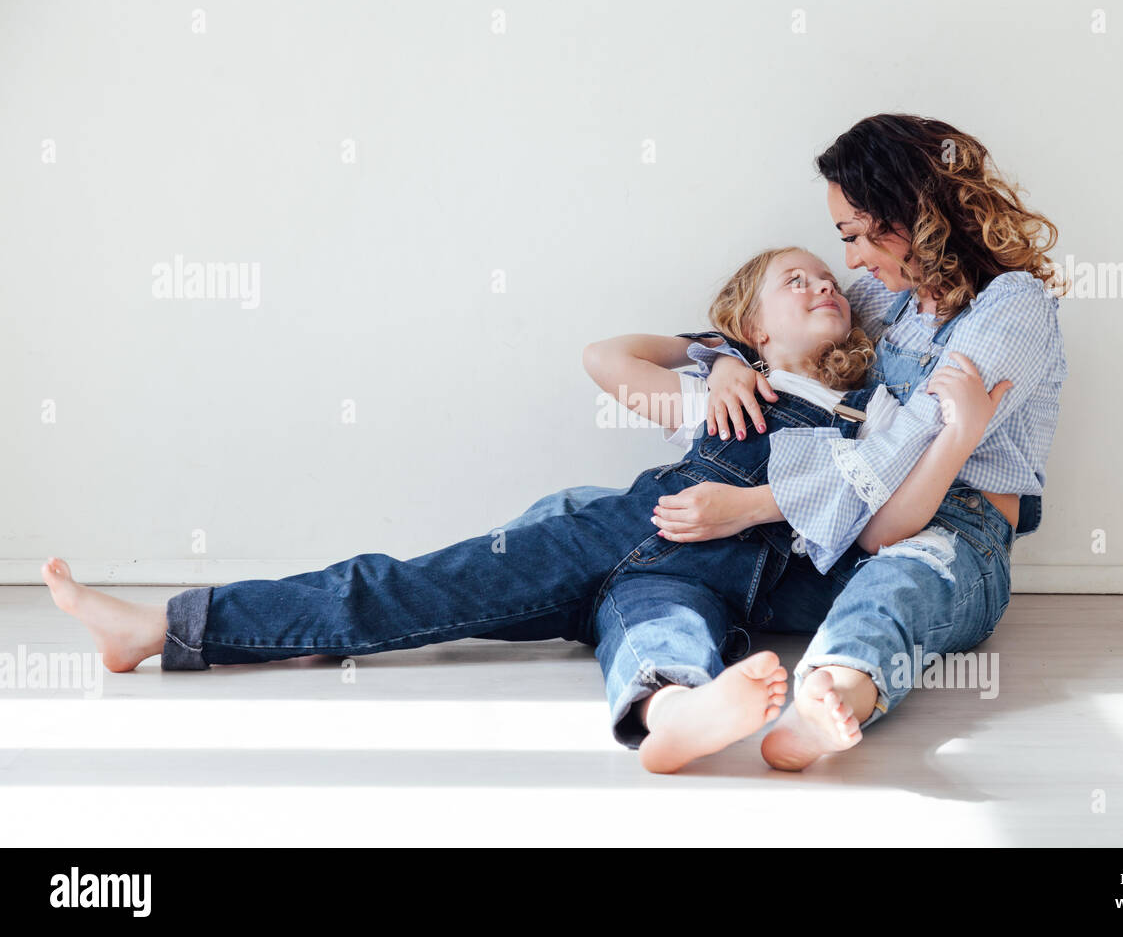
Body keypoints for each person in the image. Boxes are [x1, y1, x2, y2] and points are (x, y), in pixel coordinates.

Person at [41, 246, 1006, 774]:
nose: (824, 284)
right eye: (796, 279)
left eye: (830, 277)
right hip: (622, 526)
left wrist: (938, 439)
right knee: (405, 587)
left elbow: (877, 508)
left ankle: (671, 718)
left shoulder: (861, 413)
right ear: (753, 323)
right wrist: (706, 357)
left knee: (663, 630)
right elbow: (605, 358)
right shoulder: (721, 379)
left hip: (712, 572)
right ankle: (164, 628)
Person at [504, 114, 1069, 771]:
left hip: (944, 529)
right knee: (638, 549)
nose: (849, 261)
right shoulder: (884, 297)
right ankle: (673, 699)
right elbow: (774, 345)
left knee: (899, 580)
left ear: (912, 214)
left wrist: (753, 506)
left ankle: (833, 695)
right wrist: (726, 363)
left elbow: (901, 482)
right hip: (829, 526)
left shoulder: (1011, 305)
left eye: (858, 235)